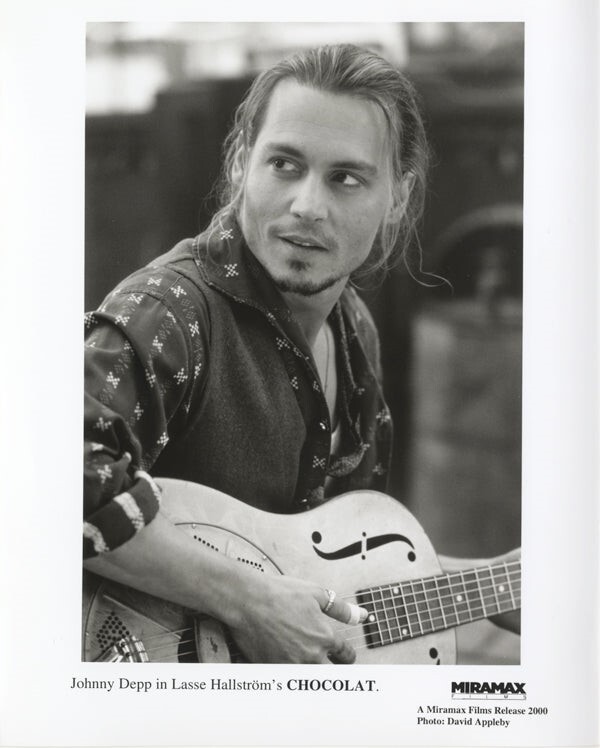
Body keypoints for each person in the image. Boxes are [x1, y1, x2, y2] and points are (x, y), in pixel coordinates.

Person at [84, 43, 520, 663]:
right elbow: (48, 475)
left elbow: (328, 567)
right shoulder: (170, 314)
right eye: (285, 164)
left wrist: (490, 586)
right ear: (242, 162)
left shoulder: (355, 332)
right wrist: (250, 602)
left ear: (398, 196)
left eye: (346, 178)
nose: (308, 206)